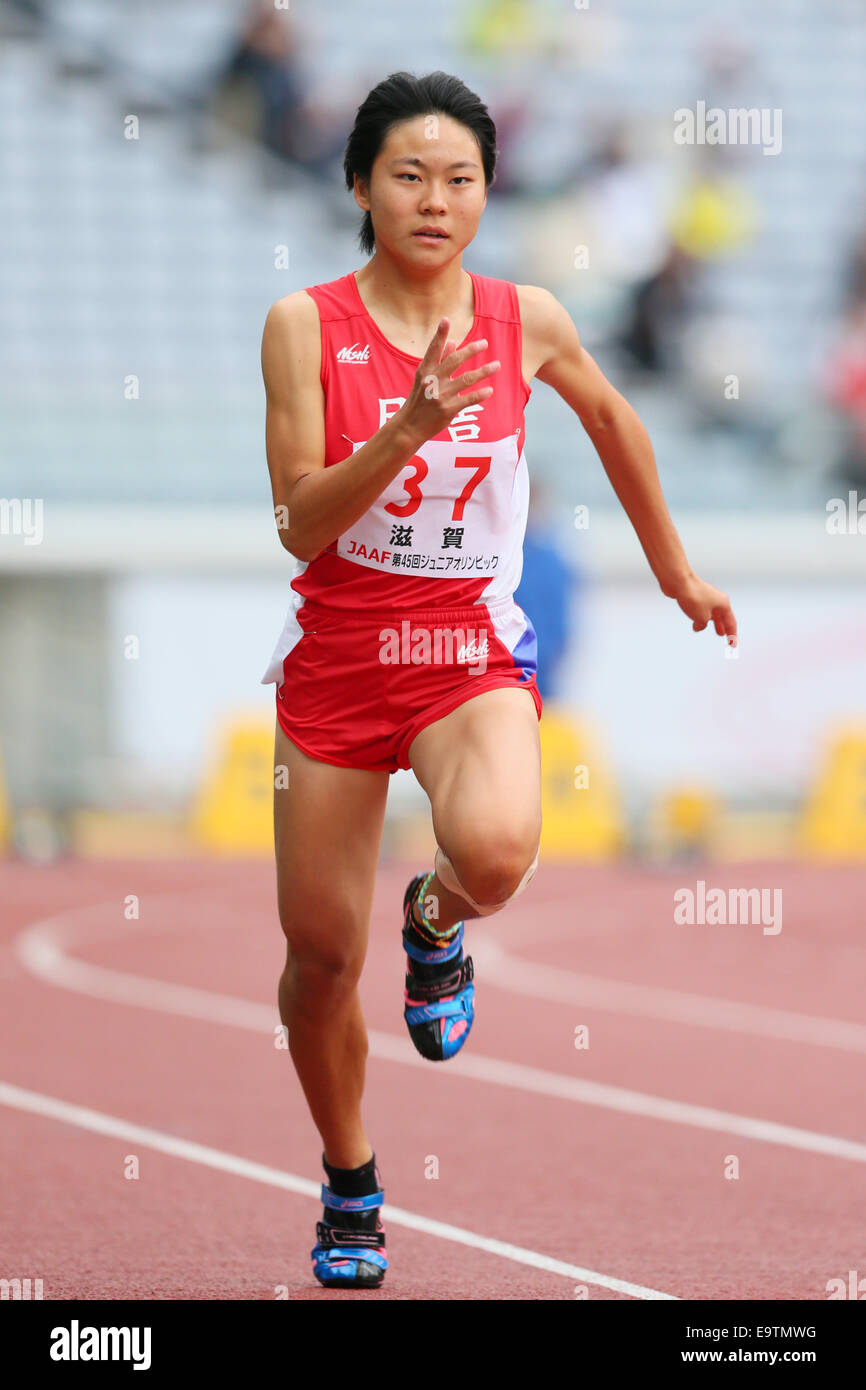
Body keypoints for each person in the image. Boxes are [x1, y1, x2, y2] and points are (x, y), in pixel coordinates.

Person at [259, 70, 738, 1291]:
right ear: (360, 186)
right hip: (340, 657)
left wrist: (676, 570)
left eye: (459, 178)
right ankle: (350, 1181)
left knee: (499, 852)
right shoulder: (304, 326)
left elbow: (615, 422)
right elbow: (299, 526)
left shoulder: (522, 317)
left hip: (463, 647)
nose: (434, 199)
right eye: (408, 176)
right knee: (318, 957)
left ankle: (433, 925)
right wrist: (406, 428)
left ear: (487, 191)